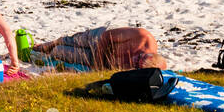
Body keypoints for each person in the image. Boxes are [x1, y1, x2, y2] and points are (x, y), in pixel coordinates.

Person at [31, 26, 167, 70]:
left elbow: (162, 69)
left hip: (101, 60)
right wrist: (98, 64)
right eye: (139, 57)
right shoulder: (142, 36)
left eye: (137, 65)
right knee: (72, 40)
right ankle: (52, 42)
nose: (134, 60)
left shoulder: (148, 66)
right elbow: (107, 36)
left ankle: (54, 47)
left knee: (58, 52)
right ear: (147, 53)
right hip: (99, 39)